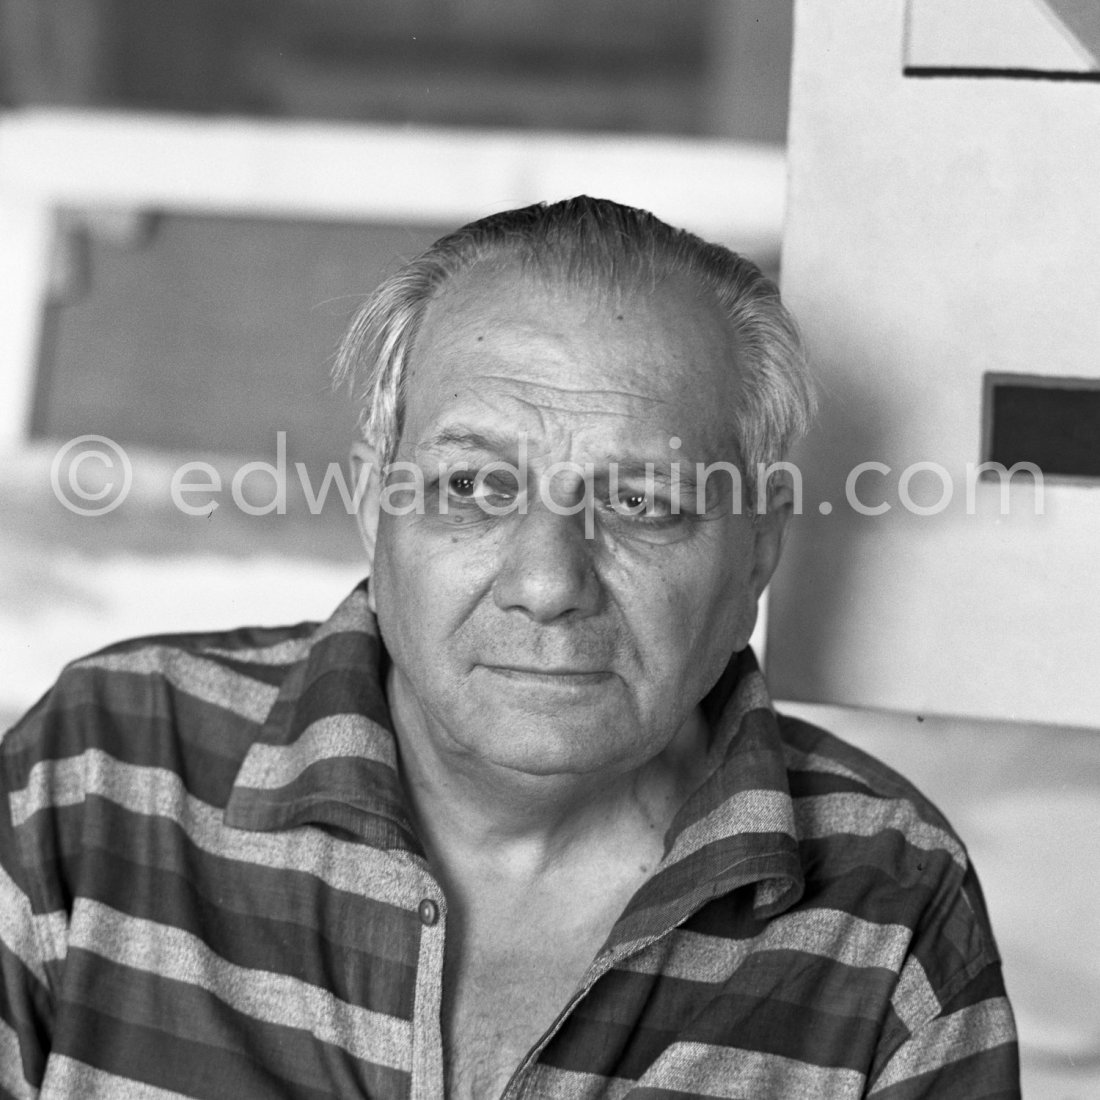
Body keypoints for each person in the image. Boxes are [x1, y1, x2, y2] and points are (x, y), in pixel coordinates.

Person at [0, 197, 1018, 1098]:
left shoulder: (886, 899)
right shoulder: (101, 768)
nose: (546, 583)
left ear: (759, 543)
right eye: (474, 487)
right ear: (372, 499)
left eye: (642, 502)